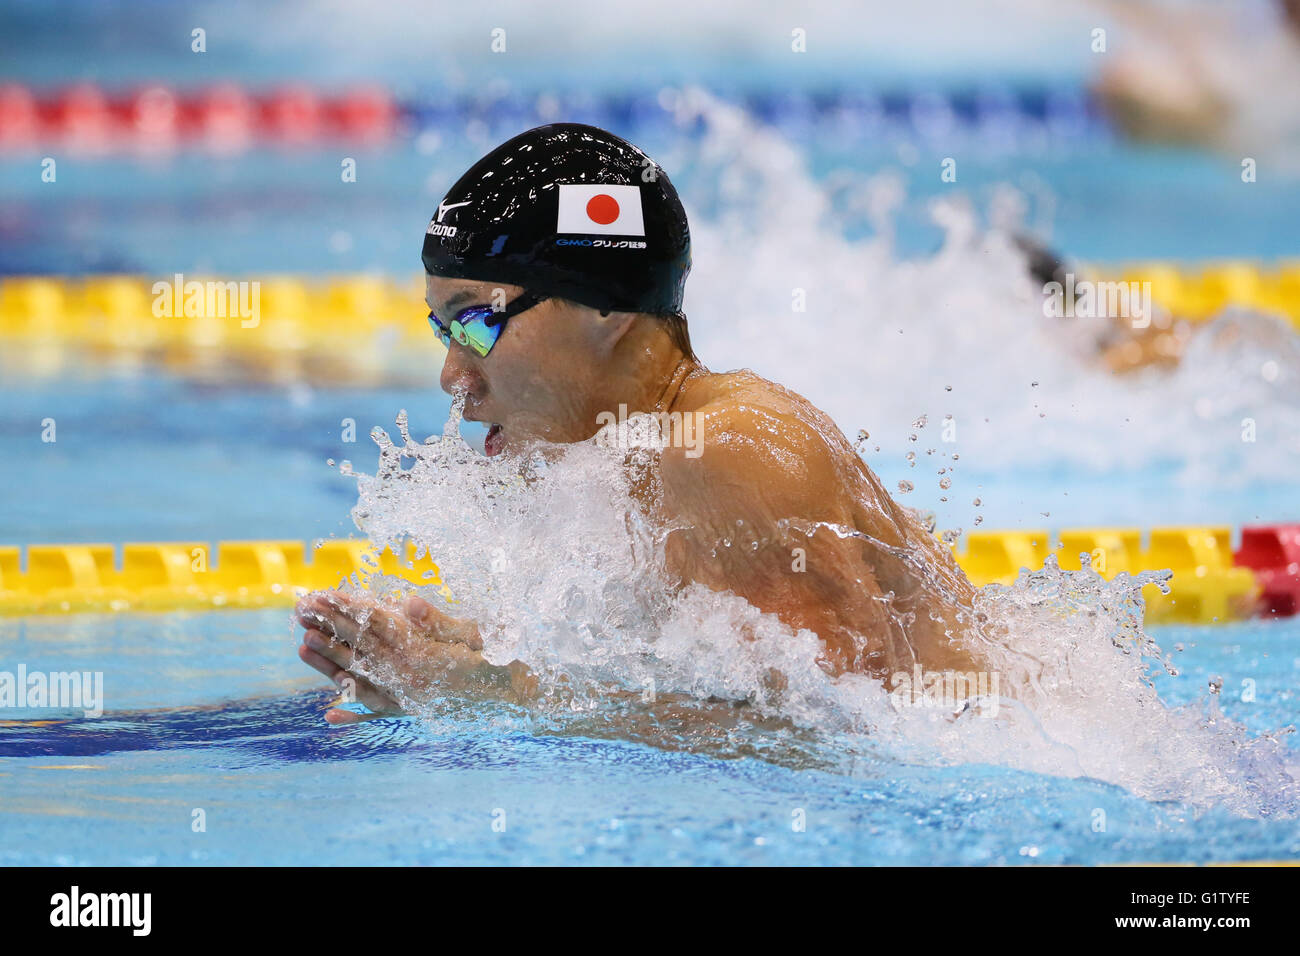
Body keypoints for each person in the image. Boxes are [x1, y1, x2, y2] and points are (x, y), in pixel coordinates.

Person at [295, 123, 983, 725]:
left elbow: (831, 729)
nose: (453, 375)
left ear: (607, 308)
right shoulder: (636, 456)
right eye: (441, 329)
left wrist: (480, 692)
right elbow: (714, 681)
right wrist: (475, 650)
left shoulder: (727, 452)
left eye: (477, 322)